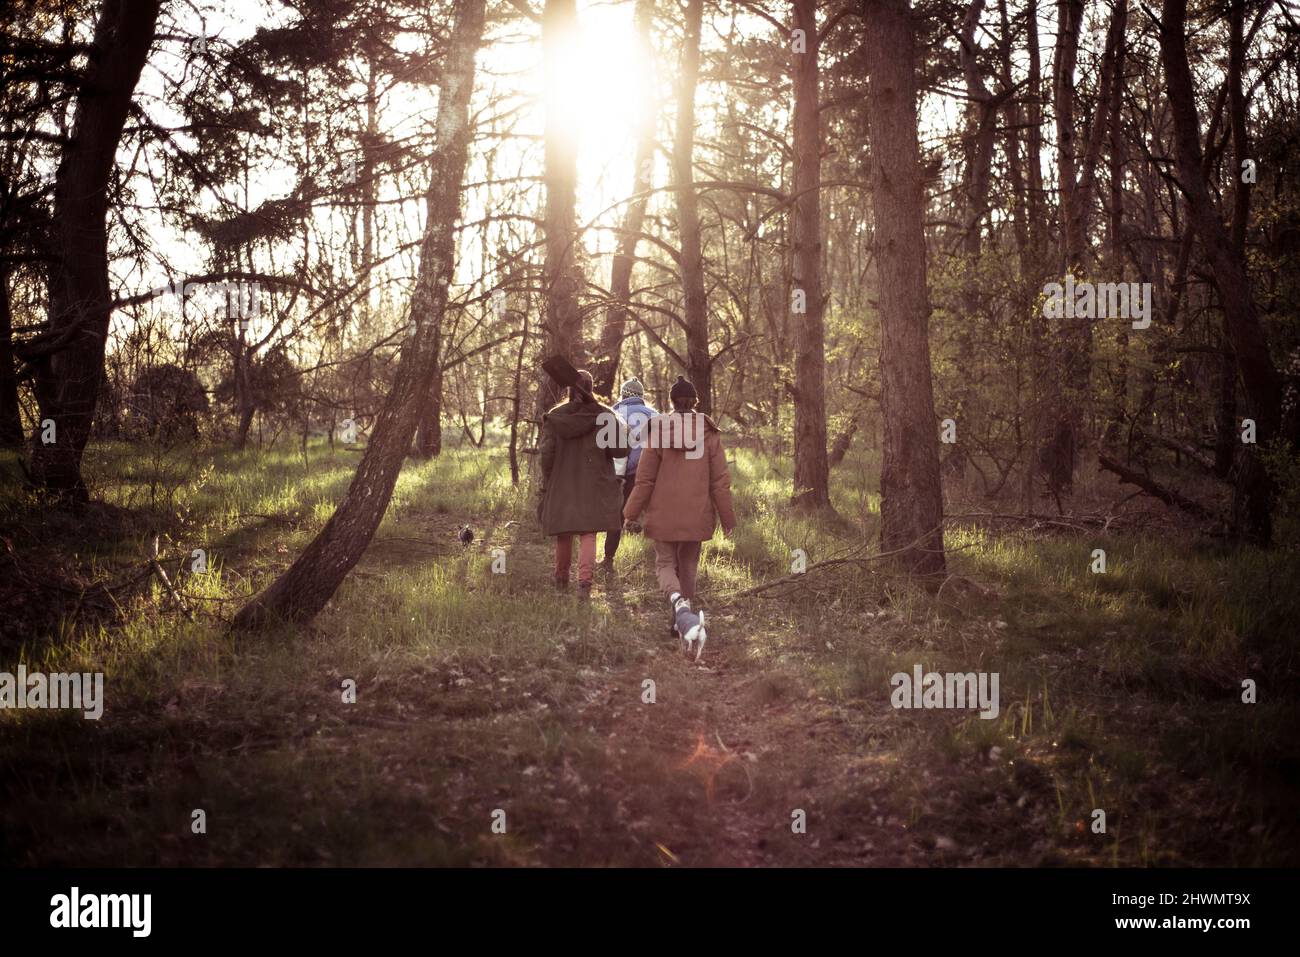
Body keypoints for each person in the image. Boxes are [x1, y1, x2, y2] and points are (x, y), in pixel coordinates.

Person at [622, 375, 736, 636]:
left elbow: (645, 480)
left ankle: (678, 606)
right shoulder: (709, 434)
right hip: (696, 514)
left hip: (662, 515)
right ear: (695, 401)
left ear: (672, 401)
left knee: (664, 563)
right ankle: (685, 616)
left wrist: (630, 513)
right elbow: (720, 482)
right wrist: (728, 520)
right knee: (688, 564)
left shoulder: (658, 431)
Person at [538, 370, 629, 599]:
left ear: (570, 389)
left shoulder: (556, 416)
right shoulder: (604, 415)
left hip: (562, 480)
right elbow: (620, 450)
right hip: (595, 482)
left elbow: (546, 453)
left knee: (564, 531)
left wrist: (549, 480)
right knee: (589, 533)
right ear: (590, 388)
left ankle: (561, 578)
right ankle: (584, 584)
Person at [601, 377, 657, 572]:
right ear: (641, 397)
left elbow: (608, 448)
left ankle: (608, 559)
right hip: (651, 472)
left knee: (616, 514)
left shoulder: (614, 414)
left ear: (623, 395)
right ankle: (660, 559)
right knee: (655, 511)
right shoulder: (655, 415)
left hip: (623, 472)